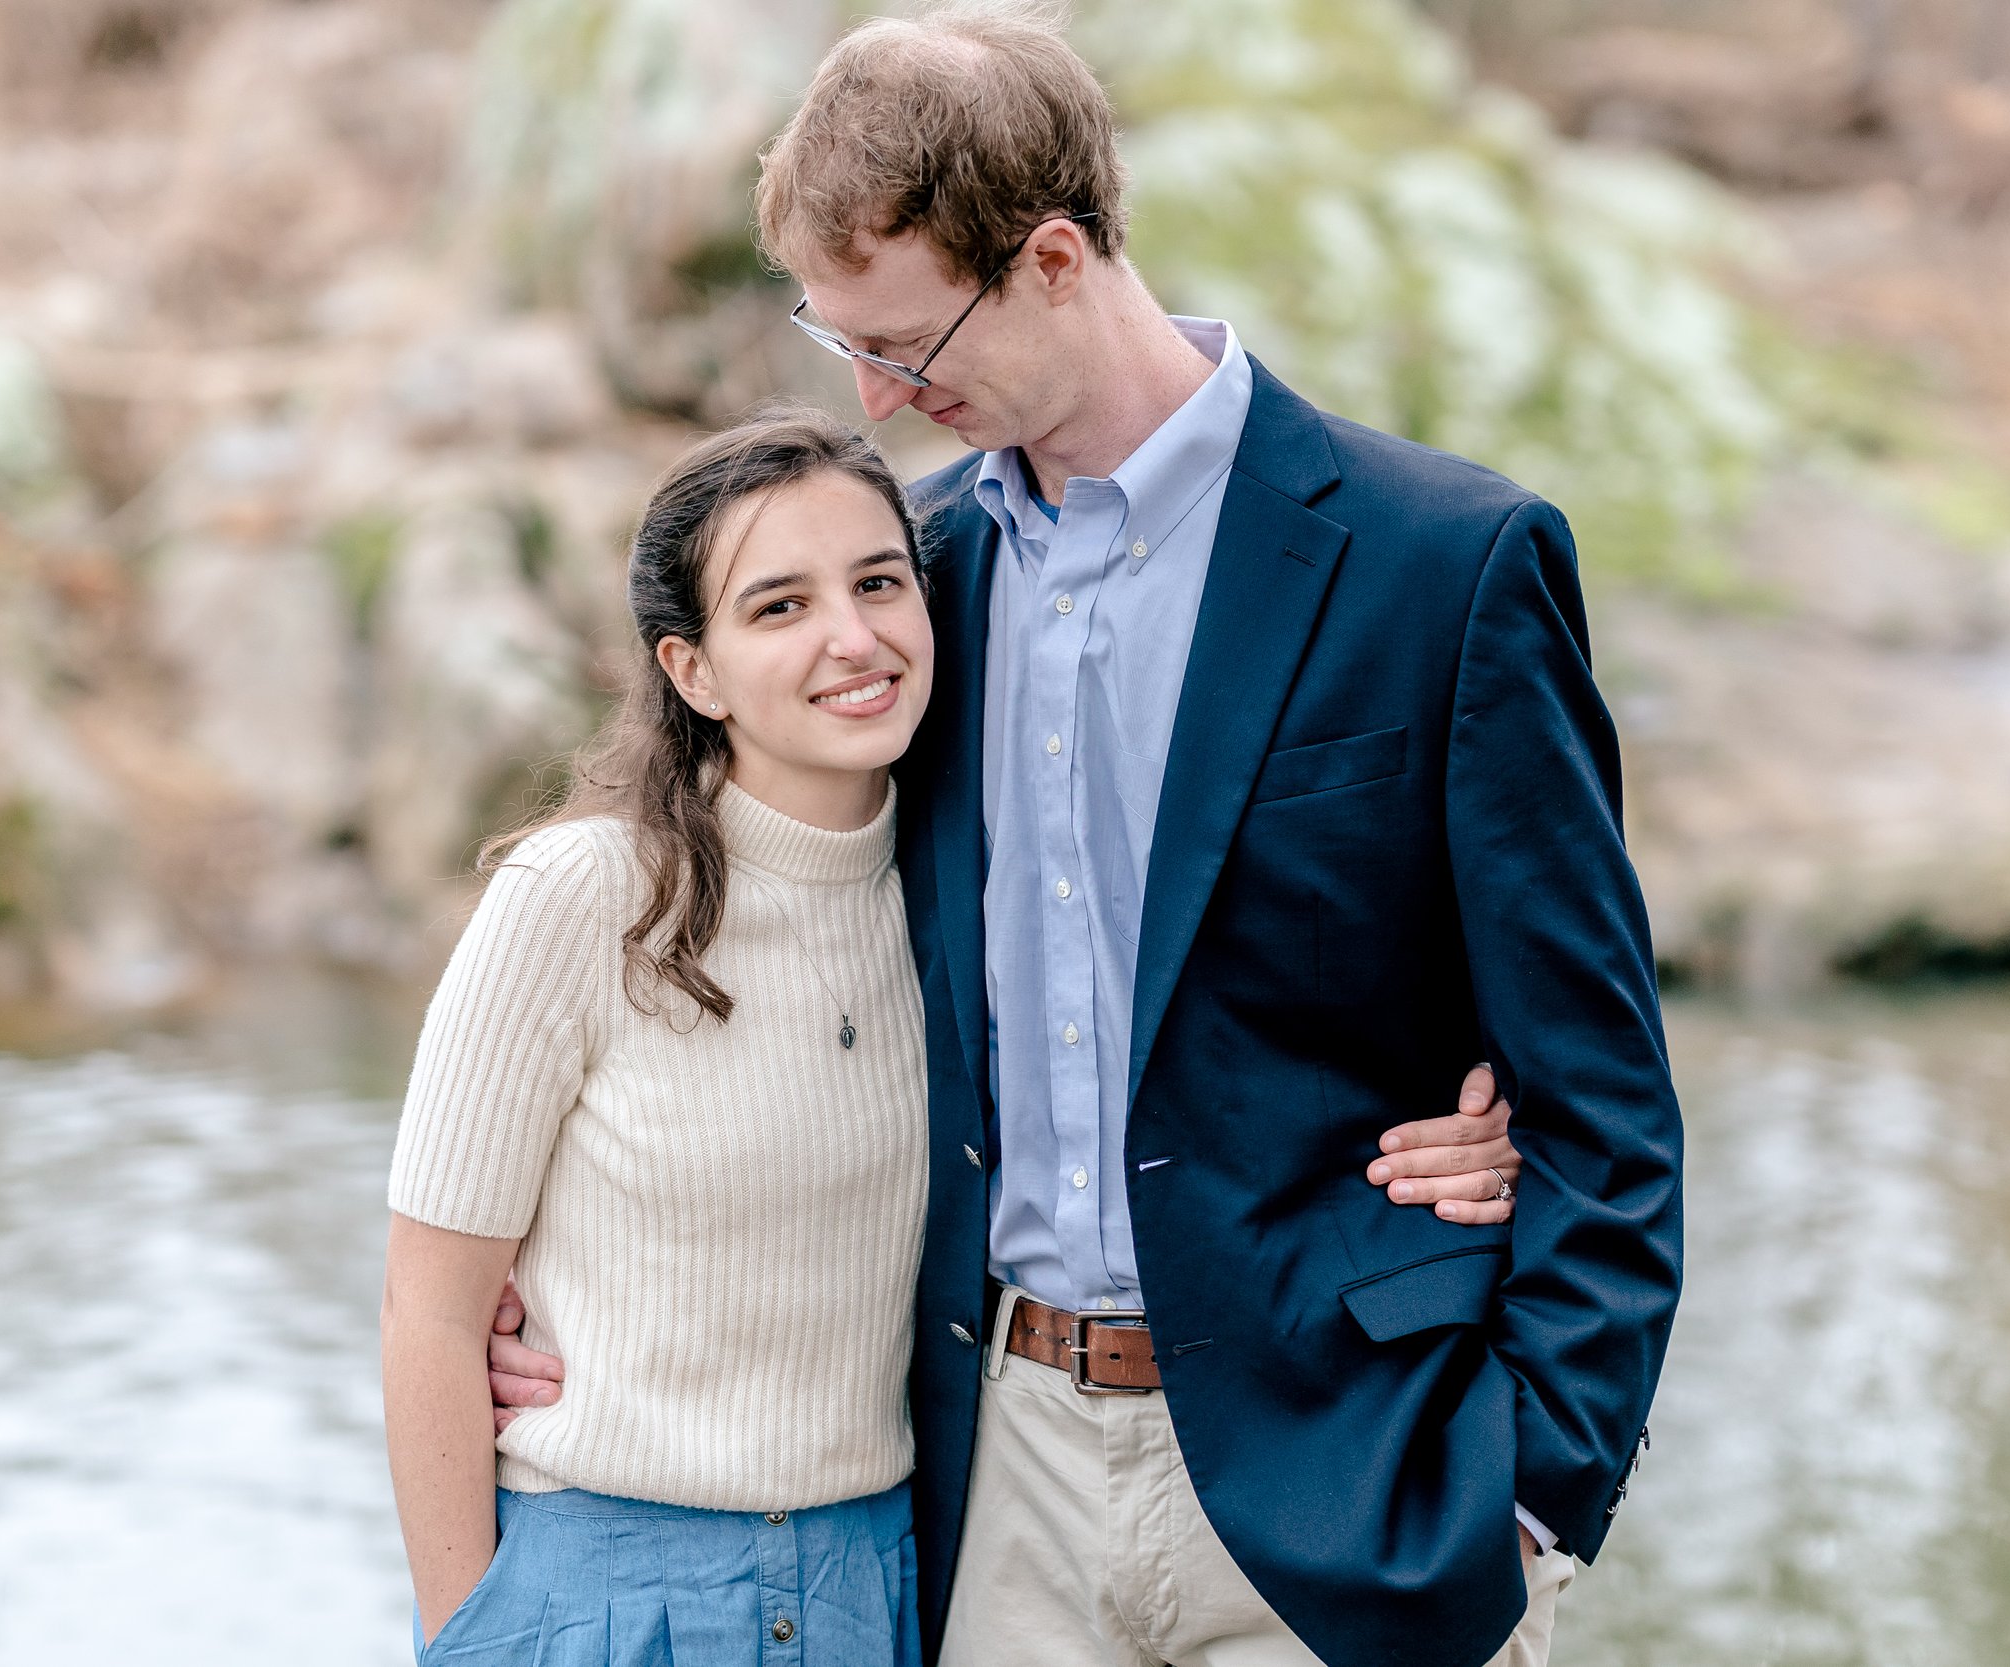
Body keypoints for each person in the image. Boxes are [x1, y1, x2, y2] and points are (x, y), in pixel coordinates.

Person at [491, 9, 1684, 1667]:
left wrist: (1534, 1499)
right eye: (840, 346)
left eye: (905, 346)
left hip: (1355, 1483)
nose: (875, 397)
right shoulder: (914, 592)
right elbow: (759, 931)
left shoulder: (1443, 566)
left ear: (1054, 258)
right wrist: (548, 1274)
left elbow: (1604, 1098)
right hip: (996, 1486)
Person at [383, 409, 1529, 1666]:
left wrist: (1454, 1143)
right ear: (690, 668)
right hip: (607, 1583)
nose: (852, 637)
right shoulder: (586, 894)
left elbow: (1170, 1069)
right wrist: (469, 1633)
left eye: (878, 582)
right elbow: (430, 1313)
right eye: (777, 607)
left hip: (881, 1583)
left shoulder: (960, 906)